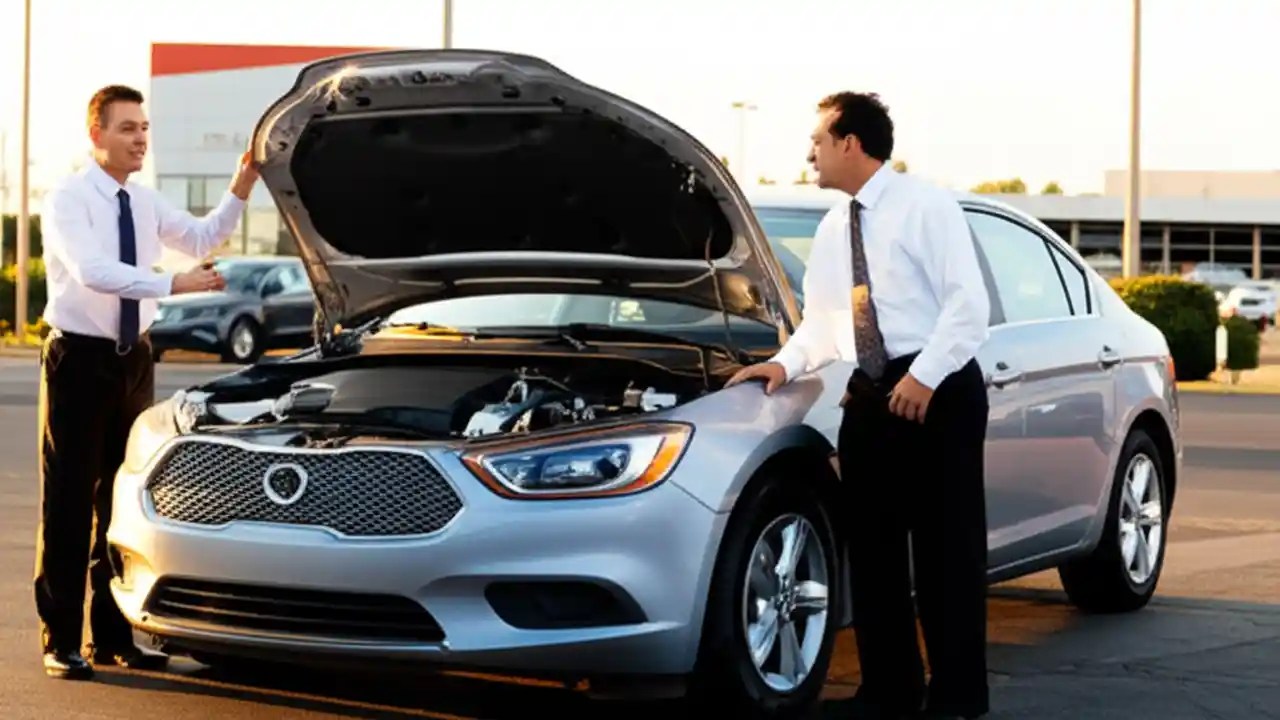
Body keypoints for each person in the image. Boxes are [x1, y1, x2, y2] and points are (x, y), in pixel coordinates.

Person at [727, 92, 992, 719]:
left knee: (945, 555)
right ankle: (890, 692)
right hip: (872, 396)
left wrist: (924, 378)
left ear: (851, 143)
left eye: (818, 139)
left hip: (940, 389)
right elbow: (823, 325)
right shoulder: (832, 226)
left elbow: (968, 307)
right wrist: (783, 364)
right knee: (871, 552)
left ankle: (957, 698)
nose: (809, 153)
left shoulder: (926, 205)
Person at [34, 84, 259, 680]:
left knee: (118, 503)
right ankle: (60, 638)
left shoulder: (146, 202)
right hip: (79, 361)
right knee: (68, 503)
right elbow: (92, 271)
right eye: (128, 127)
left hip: (134, 361)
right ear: (97, 135)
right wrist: (171, 285)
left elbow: (206, 238)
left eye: (144, 127)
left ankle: (112, 638)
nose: (140, 138)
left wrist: (243, 183)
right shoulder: (68, 200)